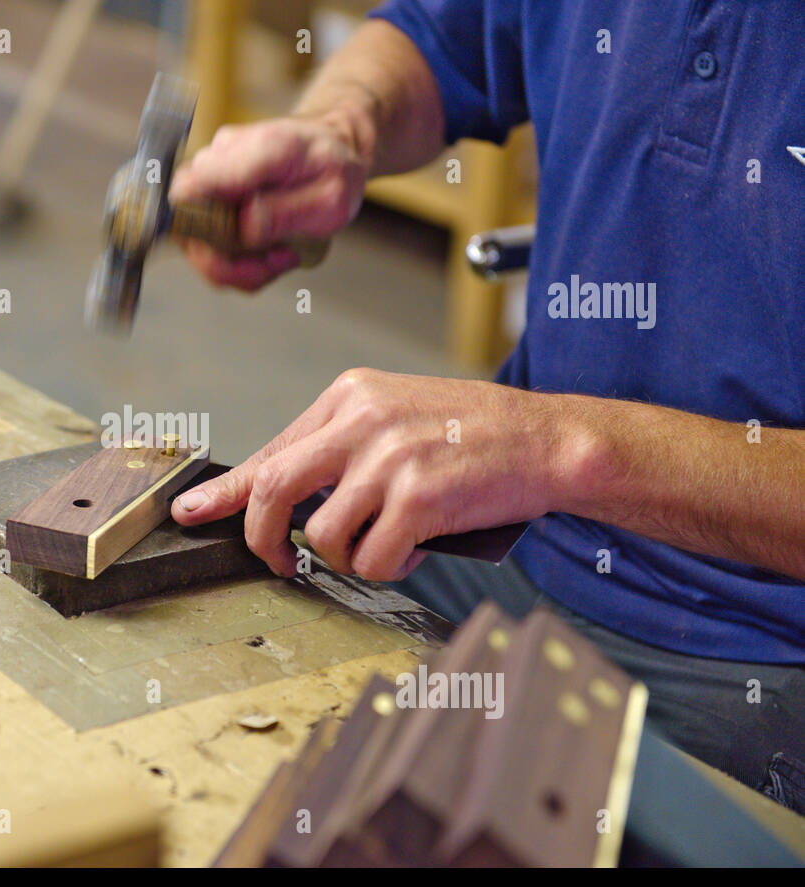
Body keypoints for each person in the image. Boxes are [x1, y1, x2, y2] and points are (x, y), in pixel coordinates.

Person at [167, 2, 805, 803]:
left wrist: (560, 449)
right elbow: (444, 38)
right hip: (514, 547)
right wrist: (343, 125)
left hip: (759, 654)